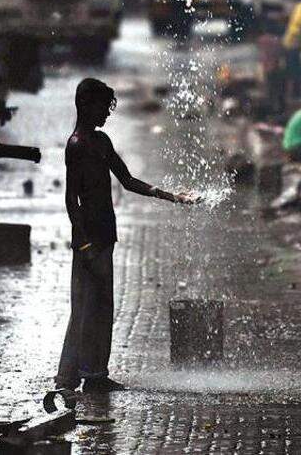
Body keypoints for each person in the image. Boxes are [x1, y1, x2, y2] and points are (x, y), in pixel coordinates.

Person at [56, 78, 198, 392]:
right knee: (83, 308)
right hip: (89, 239)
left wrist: (171, 196)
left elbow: (128, 180)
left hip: (105, 234)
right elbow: (71, 199)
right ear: (85, 105)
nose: (106, 114)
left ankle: (95, 374)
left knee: (103, 306)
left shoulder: (101, 141)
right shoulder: (77, 144)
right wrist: (83, 241)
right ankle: (67, 377)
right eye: (101, 107)